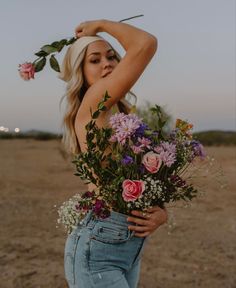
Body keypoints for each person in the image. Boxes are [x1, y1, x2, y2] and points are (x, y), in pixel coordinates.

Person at [59, 19, 168, 288]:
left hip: (128, 244)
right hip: (98, 248)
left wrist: (160, 212)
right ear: (80, 72)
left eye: (112, 56)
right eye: (94, 60)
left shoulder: (121, 115)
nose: (107, 63)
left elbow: (143, 177)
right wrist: (100, 25)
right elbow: (145, 43)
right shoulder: (94, 103)